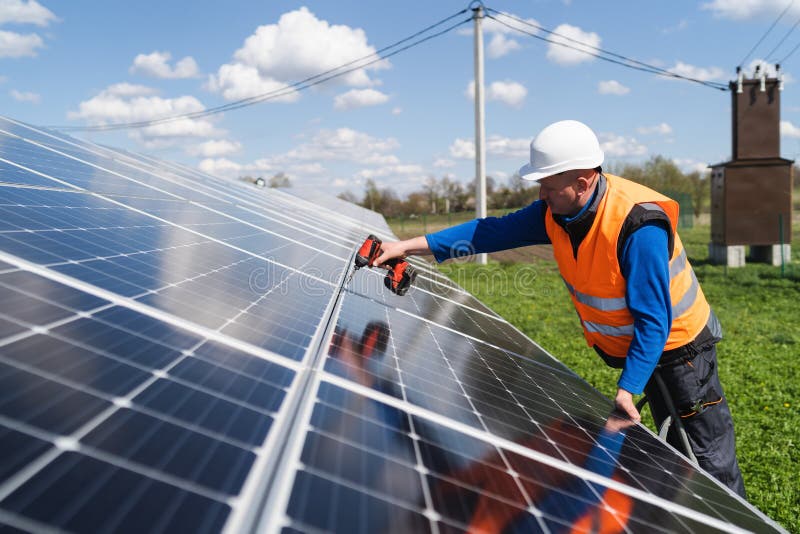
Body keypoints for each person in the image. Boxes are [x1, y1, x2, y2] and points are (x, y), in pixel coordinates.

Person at [374, 119, 746, 497]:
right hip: (646, 351)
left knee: (706, 459)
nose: (541, 196)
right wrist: (407, 246)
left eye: (548, 187)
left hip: (682, 354)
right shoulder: (556, 213)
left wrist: (627, 388)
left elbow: (654, 319)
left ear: (583, 183)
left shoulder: (638, 225)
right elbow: (488, 232)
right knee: (677, 461)